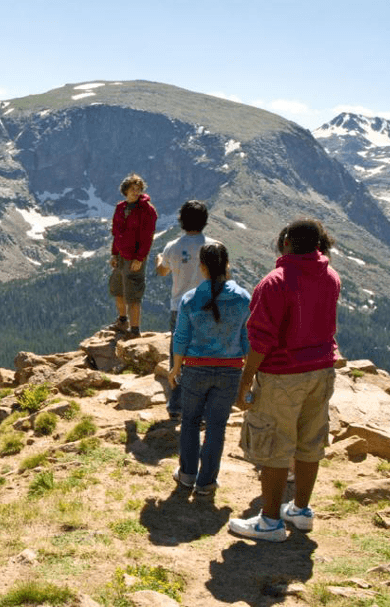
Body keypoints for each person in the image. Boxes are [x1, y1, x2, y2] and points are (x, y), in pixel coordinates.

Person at [229, 219, 340, 542]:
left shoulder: (275, 282)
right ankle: (301, 510)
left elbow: (261, 340)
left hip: (282, 376)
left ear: (287, 242)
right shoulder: (331, 276)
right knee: (310, 442)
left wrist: (245, 380)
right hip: (322, 371)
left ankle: (269, 521)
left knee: (275, 446)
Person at [168, 243, 251, 495]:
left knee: (191, 421)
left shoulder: (190, 298)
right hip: (230, 370)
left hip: (195, 369)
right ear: (227, 265)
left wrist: (175, 367)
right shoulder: (243, 298)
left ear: (201, 267)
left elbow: (181, 336)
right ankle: (206, 482)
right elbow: (246, 336)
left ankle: (187, 474)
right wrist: (248, 368)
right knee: (217, 425)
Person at [156, 200, 219, 419]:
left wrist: (158, 260)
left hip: (179, 307)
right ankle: (201, 408)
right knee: (205, 353)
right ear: (205, 221)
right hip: (208, 307)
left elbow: (162, 271)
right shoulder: (214, 246)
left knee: (178, 354)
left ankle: (176, 404)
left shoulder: (172, 246)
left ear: (181, 220)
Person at [108, 172, 158, 338]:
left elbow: (147, 237)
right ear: (125, 191)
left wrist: (140, 258)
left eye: (138, 189)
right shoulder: (120, 208)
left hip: (135, 258)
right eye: (132, 189)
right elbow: (117, 233)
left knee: (134, 294)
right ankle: (122, 321)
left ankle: (135, 330)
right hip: (121, 255)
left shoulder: (147, 210)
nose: (136, 192)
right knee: (118, 290)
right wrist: (114, 254)